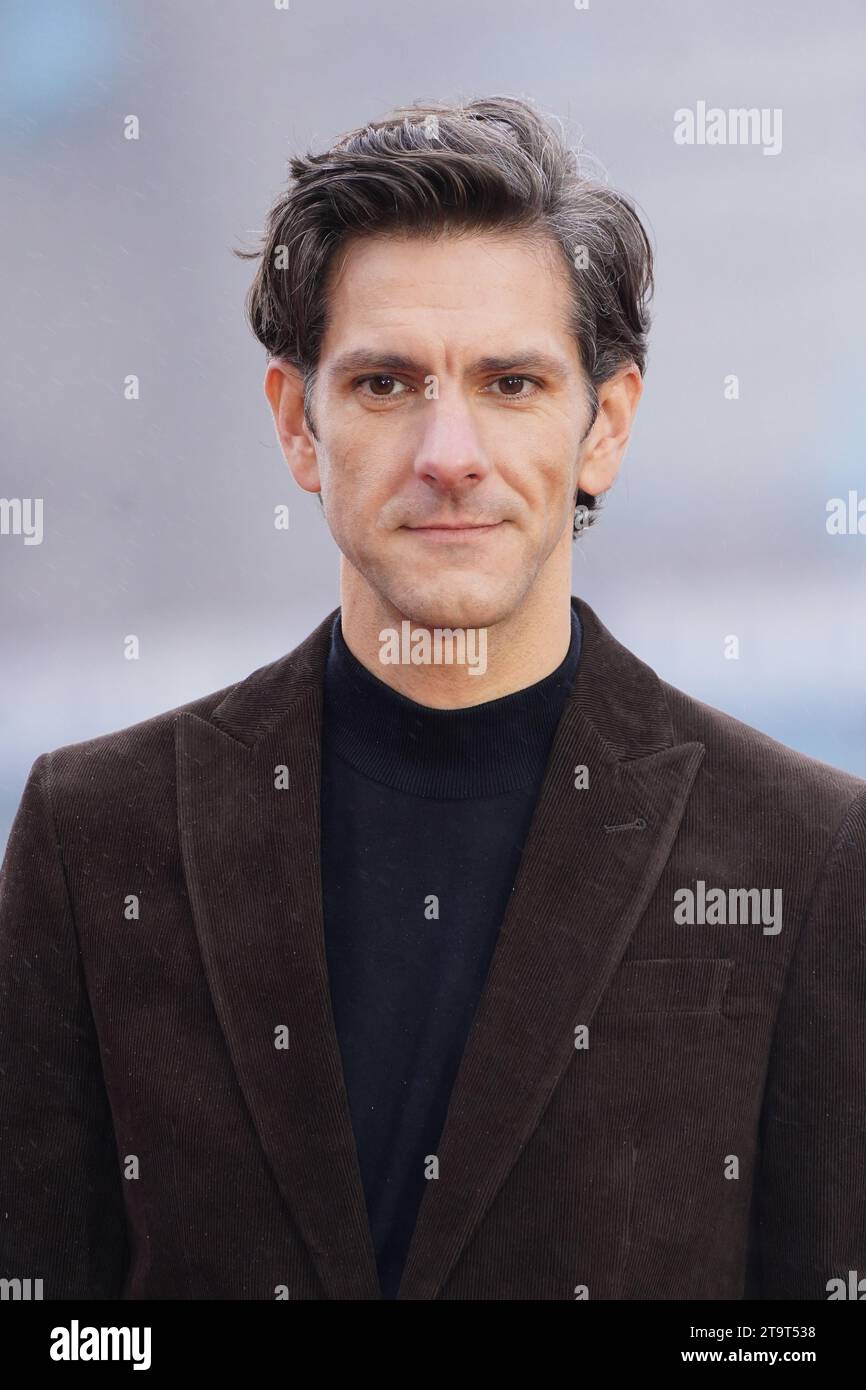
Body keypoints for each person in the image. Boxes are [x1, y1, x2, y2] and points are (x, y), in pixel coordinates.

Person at [1, 95, 864, 1302]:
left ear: (601, 428)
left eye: (510, 382)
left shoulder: (804, 852)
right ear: (299, 427)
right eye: (386, 383)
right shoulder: (95, 835)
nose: (447, 449)